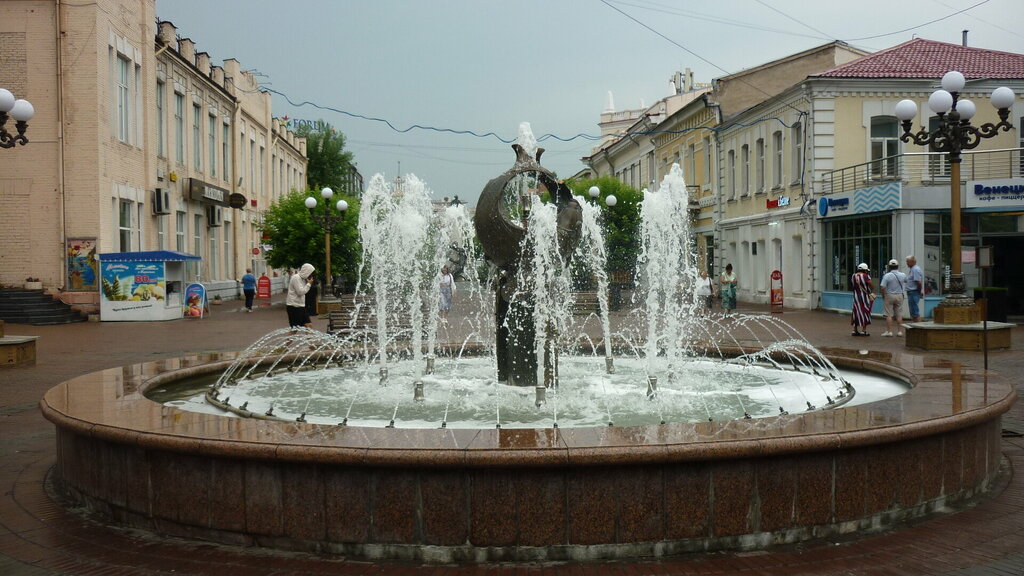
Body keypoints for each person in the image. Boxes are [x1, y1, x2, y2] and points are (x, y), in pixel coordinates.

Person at [879, 258, 907, 337]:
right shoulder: (903, 275)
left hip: (889, 295)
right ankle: (899, 331)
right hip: (900, 295)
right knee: (899, 314)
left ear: (889, 267)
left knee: (889, 314)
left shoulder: (887, 276)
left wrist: (883, 295)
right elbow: (906, 282)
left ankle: (889, 331)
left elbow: (883, 287)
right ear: (897, 266)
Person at [286, 263, 316, 330]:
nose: (311, 275)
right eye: (310, 272)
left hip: (300, 306)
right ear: (306, 271)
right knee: (295, 329)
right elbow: (300, 292)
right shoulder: (296, 278)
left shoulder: (302, 279)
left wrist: (307, 283)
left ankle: (309, 340)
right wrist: (308, 284)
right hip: (294, 306)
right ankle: (288, 340)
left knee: (309, 325)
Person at [850, 263, 874, 336]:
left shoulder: (853, 276)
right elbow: (871, 284)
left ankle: (855, 330)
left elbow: (852, 285)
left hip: (856, 297)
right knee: (865, 311)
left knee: (856, 312)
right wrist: (870, 290)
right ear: (865, 270)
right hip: (864, 297)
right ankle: (863, 330)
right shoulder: (866, 276)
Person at [904, 255, 924, 322]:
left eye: (907, 262)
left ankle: (919, 327)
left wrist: (919, 291)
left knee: (915, 311)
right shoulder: (913, 269)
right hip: (912, 292)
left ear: (912, 262)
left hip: (914, 292)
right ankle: (915, 325)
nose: (906, 263)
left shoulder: (915, 270)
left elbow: (919, 282)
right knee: (913, 311)